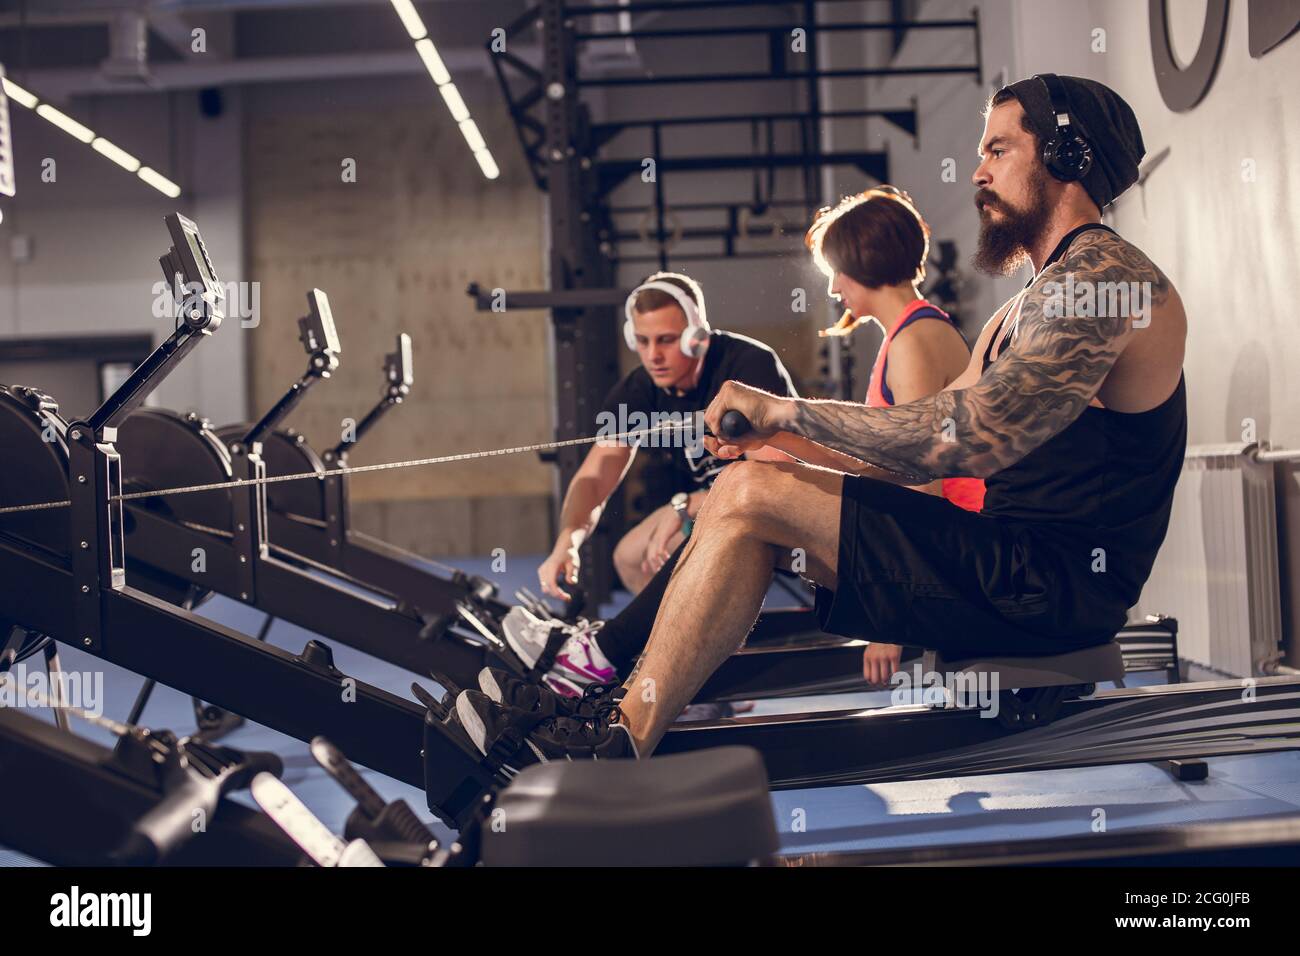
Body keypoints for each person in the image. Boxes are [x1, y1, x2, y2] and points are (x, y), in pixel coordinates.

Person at [461, 73, 1186, 764]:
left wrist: (789, 414)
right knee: (742, 492)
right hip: (1000, 561)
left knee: (750, 494)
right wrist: (778, 444)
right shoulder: (1023, 303)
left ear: (1067, 157)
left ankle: (617, 736)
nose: (977, 173)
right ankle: (618, 710)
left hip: (1054, 587)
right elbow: (917, 443)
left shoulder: (1106, 278)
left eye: (998, 150)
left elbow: (968, 437)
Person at [502, 187, 986, 696]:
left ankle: (606, 656)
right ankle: (644, 664)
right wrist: (570, 539)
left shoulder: (913, 341)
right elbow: (883, 463)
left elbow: (924, 481)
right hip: (912, 530)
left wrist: (894, 617)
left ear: (862, 263)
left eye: (836, 271)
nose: (835, 286)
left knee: (744, 507)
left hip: (946, 552)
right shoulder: (907, 336)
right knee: (695, 528)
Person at [534, 272, 796, 616]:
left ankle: (698, 647)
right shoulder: (640, 390)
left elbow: (774, 479)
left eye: (666, 340)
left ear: (696, 338)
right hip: (713, 507)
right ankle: (695, 648)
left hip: (783, 507)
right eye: (642, 341)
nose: (653, 355)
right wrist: (569, 539)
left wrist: (685, 506)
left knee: (672, 546)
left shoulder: (748, 365)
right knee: (629, 557)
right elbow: (596, 476)